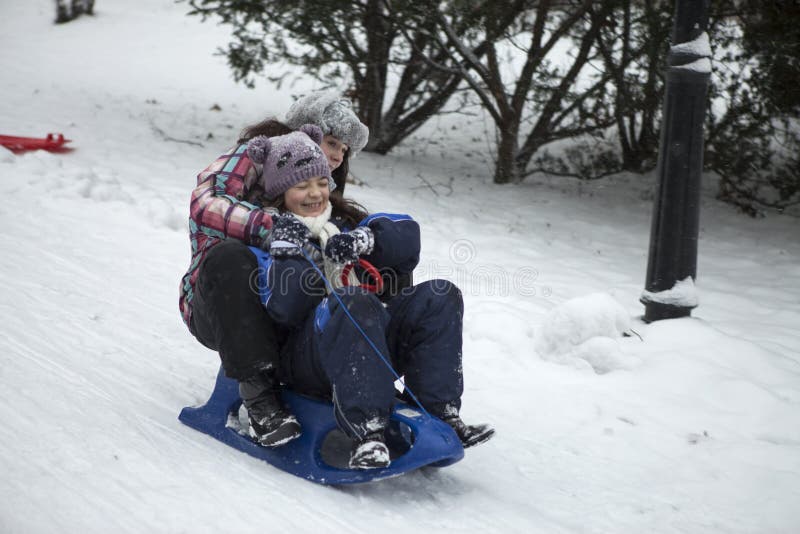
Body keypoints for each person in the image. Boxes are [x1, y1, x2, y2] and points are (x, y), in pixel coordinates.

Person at [179, 102, 493, 470]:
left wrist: (367, 241)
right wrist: (293, 247)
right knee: (338, 297)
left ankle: (440, 410)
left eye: (337, 160)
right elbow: (282, 301)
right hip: (248, 320)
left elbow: (404, 238)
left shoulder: (336, 219)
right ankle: (278, 400)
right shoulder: (262, 214)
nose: (335, 159)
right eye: (330, 143)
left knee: (438, 295)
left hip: (346, 332)